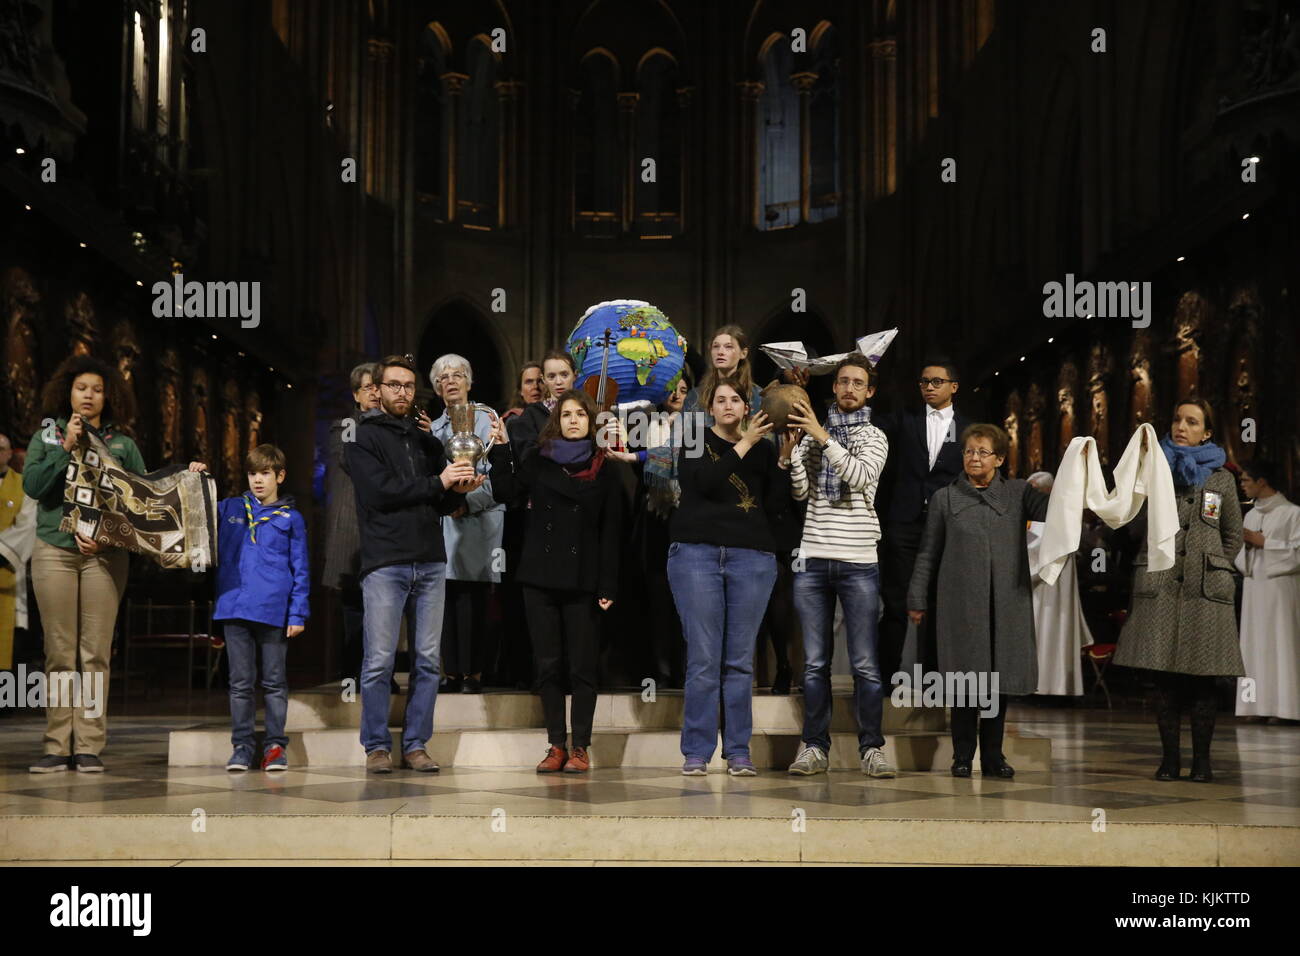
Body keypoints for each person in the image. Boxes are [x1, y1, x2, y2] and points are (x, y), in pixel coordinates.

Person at [24, 355, 205, 772]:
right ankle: (56, 745)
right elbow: (34, 486)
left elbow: (141, 501)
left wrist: (187, 477)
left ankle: (87, 744)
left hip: (104, 558)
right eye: (81, 388)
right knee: (59, 652)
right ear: (67, 392)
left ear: (108, 397)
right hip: (54, 550)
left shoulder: (120, 444)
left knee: (95, 652)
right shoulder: (48, 436)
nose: (88, 395)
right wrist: (66, 447)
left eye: (97, 389)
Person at [344, 354, 480, 774]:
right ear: (377, 390)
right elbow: (381, 492)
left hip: (430, 560)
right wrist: (437, 483)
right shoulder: (361, 437)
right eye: (393, 385)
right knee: (380, 660)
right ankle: (377, 746)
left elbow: (443, 501)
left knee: (425, 660)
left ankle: (417, 744)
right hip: (386, 560)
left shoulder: (427, 442)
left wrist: (460, 488)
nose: (402, 392)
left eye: (408, 386)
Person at [486, 390, 623, 773]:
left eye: (581, 414)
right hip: (540, 576)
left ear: (591, 420)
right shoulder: (538, 459)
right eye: (566, 415)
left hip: (584, 579)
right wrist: (500, 450)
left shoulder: (606, 465)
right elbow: (505, 491)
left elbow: (612, 531)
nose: (574, 420)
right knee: (547, 666)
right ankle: (556, 745)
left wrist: (607, 585)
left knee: (582, 667)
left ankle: (580, 746)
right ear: (556, 421)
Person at [907, 423, 1049, 778]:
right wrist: (917, 596)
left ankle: (993, 757)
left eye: (983, 452)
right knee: (963, 682)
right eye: (969, 451)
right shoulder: (945, 498)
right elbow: (928, 553)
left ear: (999, 458)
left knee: (997, 684)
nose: (974, 457)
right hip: (960, 605)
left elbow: (1055, 509)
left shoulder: (1018, 493)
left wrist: (1080, 467)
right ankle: (961, 756)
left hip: (1006, 602)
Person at [1114, 399, 1243, 782]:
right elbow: (1130, 526)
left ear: (1206, 432)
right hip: (1161, 585)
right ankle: (1170, 759)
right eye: (1177, 419)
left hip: (1206, 591)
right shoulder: (1152, 471)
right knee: (1164, 678)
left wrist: (1213, 562)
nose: (1181, 426)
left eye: (1192, 421)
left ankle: (1202, 762)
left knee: (1204, 679)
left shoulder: (1221, 478)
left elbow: (1232, 535)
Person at [669, 377, 789, 776]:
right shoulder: (694, 441)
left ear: (747, 405)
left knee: (739, 662)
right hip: (696, 555)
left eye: (735, 399)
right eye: (719, 400)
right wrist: (746, 444)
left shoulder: (764, 449)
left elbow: (773, 506)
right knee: (703, 659)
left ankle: (738, 751)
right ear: (709, 408)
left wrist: (783, 463)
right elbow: (704, 482)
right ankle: (697, 752)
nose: (727, 405)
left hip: (751, 557)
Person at [783, 354, 893, 776]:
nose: (848, 388)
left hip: (859, 560)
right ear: (834, 387)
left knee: (865, 663)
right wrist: (794, 453)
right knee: (813, 664)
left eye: (857, 383)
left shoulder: (874, 436)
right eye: (843, 381)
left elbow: (861, 478)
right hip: (813, 558)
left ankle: (871, 749)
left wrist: (821, 436)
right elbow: (799, 492)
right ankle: (814, 747)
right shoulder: (813, 436)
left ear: (869, 391)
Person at [874, 358, 971, 686]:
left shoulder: (968, 428)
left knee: (940, 603)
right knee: (896, 602)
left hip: (947, 524)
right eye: (924, 382)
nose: (929, 387)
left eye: (937, 382)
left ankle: (935, 680)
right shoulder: (905, 419)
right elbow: (869, 424)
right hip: (904, 522)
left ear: (953, 387)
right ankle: (885, 681)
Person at [213, 444, 310, 772]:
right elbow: (196, 509)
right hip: (234, 608)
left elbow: (301, 568)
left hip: (273, 611)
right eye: (253, 473)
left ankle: (274, 747)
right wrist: (194, 477)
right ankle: (241, 746)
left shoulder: (291, 519)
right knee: (240, 682)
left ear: (279, 476)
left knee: (273, 682)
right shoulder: (231, 509)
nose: (258, 480)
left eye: (265, 473)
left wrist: (298, 613)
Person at [427, 354, 505, 694]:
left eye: (458, 375)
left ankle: (474, 674)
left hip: (479, 522)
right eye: (443, 378)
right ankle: (452, 672)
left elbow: (497, 473)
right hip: (447, 524)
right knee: (448, 598)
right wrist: (448, 502)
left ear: (469, 382)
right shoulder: (432, 428)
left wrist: (464, 502)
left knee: (474, 600)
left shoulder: (487, 419)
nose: (451, 382)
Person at [321, 362, 379, 683]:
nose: (374, 392)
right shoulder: (344, 425)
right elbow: (350, 460)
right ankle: (353, 676)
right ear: (356, 394)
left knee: (382, 610)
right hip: (352, 532)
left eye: (377, 386)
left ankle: (376, 674)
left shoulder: (392, 426)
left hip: (383, 534)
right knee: (354, 610)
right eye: (367, 387)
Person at [1234, 459, 1300, 724]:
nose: (1242, 486)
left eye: (1246, 480)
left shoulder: (1293, 513)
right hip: (1255, 588)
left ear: (1262, 482)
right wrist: (1246, 549)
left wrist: (1265, 542)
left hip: (1280, 589)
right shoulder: (1250, 515)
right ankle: (1255, 706)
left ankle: (1286, 709)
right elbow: (1239, 555)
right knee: (1255, 645)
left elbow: (1297, 552)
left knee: (1281, 645)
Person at [1025, 471, 1090, 696]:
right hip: (1041, 585)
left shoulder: (1056, 514)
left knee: (1050, 631)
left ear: (1048, 491)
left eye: (1034, 491)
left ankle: (1051, 687)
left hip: (1049, 583)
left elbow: (1036, 552)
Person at [0, 432, 35, 673]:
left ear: (10, 453)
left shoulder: (24, 487)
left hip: (7, 567)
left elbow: (28, 526)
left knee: (7, 637)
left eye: (1, 448)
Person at [507, 349, 577, 459]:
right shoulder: (531, 414)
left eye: (564, 375)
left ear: (575, 375)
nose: (558, 382)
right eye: (551, 376)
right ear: (544, 379)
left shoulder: (586, 410)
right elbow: (526, 457)